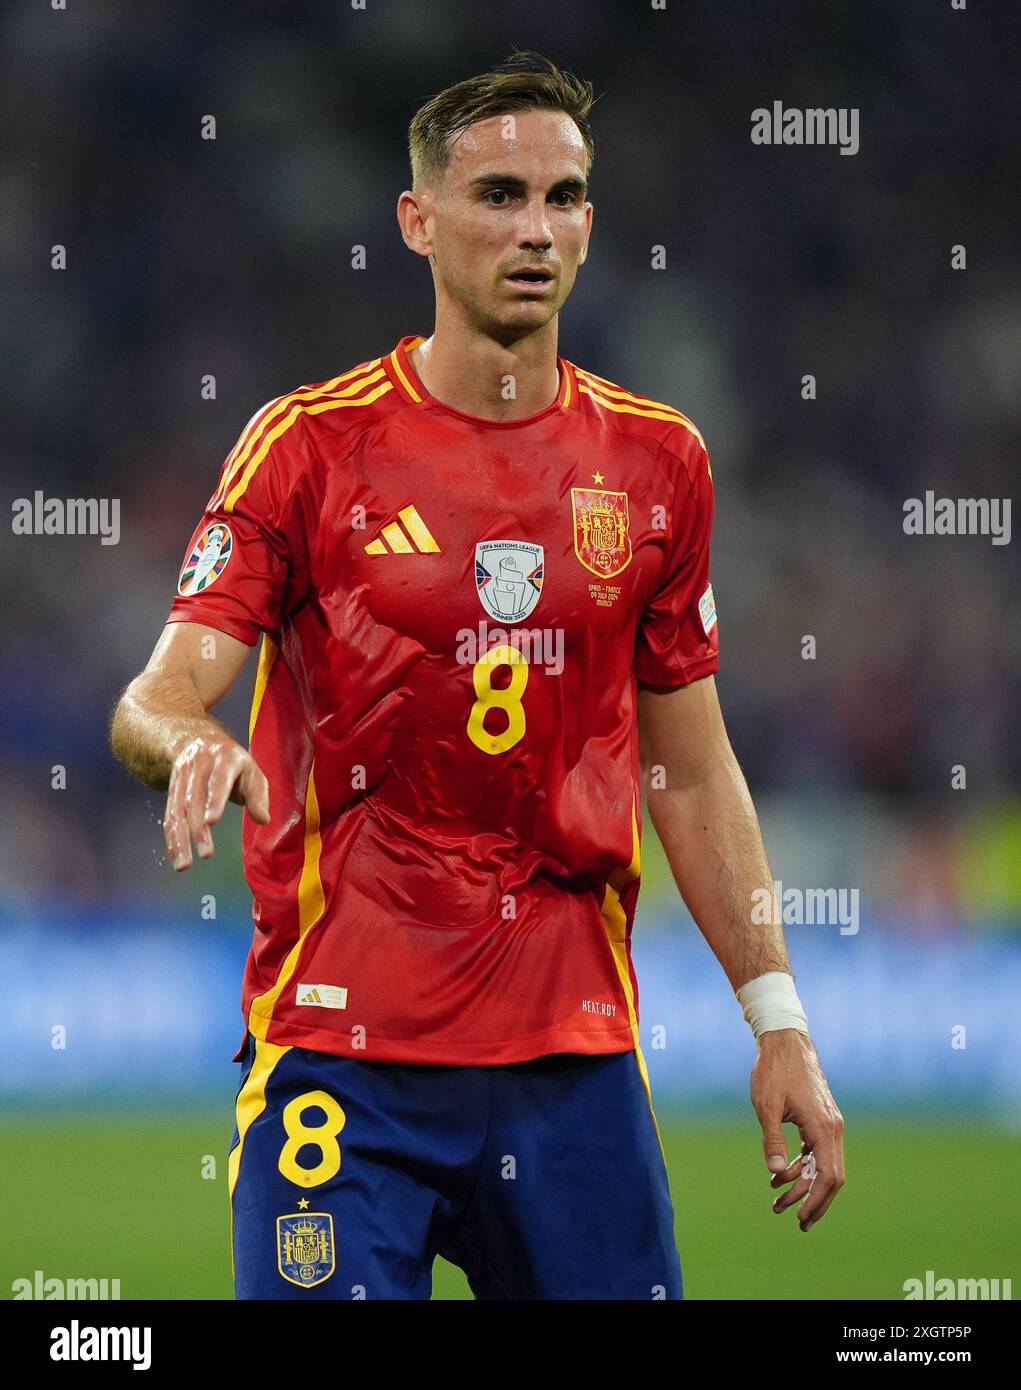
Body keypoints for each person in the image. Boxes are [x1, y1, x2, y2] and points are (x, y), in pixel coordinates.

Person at [110, 49, 844, 1300]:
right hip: (343, 1049)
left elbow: (691, 764)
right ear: (417, 220)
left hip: (571, 1055)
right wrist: (187, 739)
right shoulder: (309, 447)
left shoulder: (659, 462)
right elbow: (159, 693)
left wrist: (778, 1019)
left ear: (593, 224)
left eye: (563, 198)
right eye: (498, 194)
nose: (536, 229)